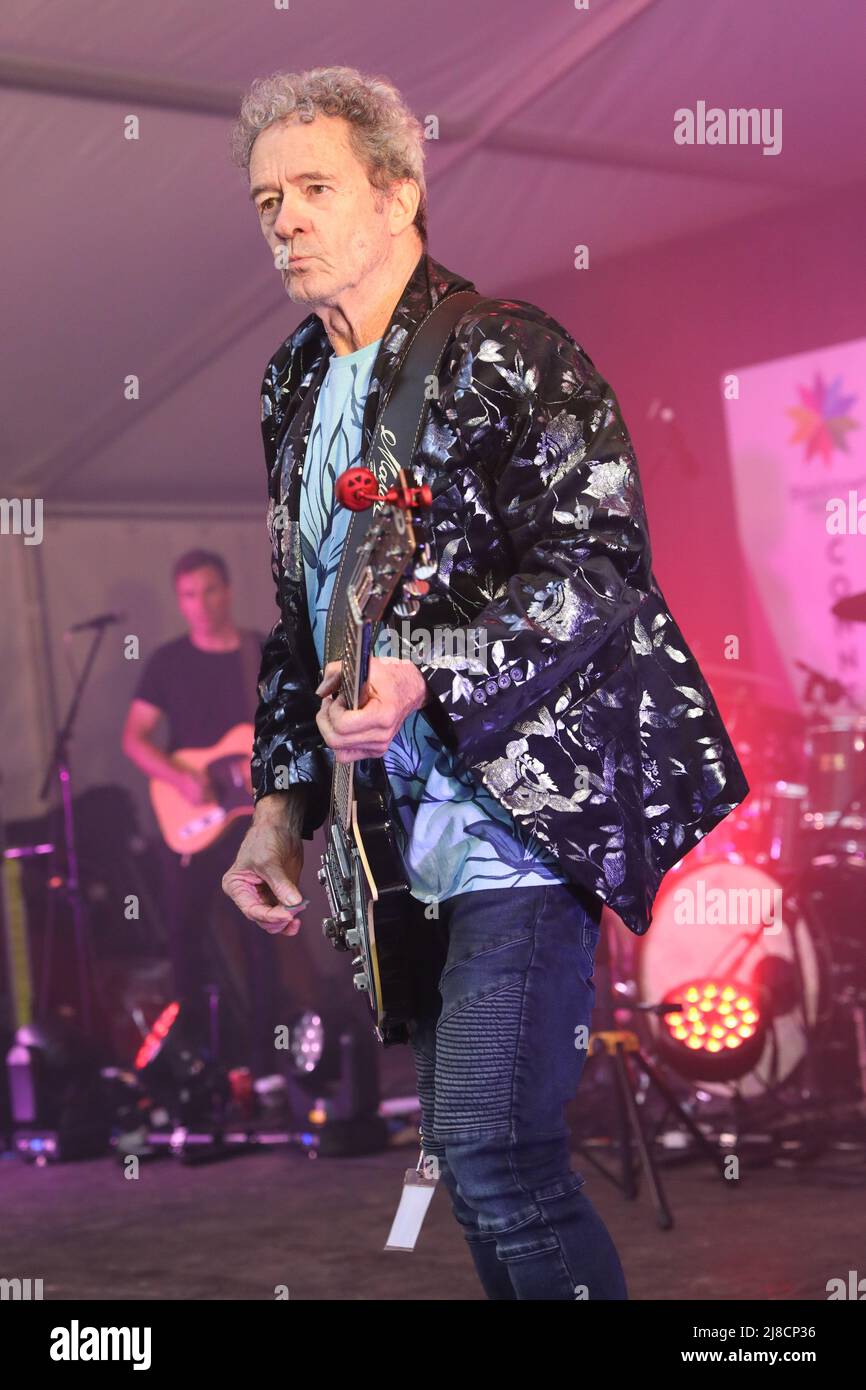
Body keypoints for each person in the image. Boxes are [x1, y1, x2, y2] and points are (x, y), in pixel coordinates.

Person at [222, 66, 749, 1299]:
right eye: (264, 201)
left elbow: (599, 567)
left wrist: (423, 669)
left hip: (519, 820)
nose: (284, 220)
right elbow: (301, 621)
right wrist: (277, 808)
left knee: (491, 1152)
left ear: (399, 192)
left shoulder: (504, 351)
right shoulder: (289, 385)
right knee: (480, 1169)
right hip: (393, 848)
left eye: (312, 188)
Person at [122, 549, 277, 1074]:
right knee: (184, 935)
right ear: (179, 601)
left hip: (248, 820)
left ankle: (263, 1062)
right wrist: (178, 776)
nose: (201, 604)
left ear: (228, 591)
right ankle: (196, 1059)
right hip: (191, 818)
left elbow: (284, 727)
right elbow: (135, 740)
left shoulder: (259, 651)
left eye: (210, 591)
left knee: (262, 934)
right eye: (189, 595)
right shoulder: (167, 662)